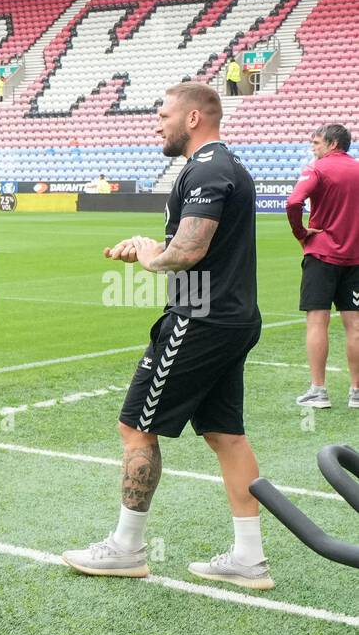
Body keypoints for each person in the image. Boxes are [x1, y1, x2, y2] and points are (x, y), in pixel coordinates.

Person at [65, 82, 272, 590]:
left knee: (136, 426)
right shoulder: (224, 167)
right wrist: (146, 245)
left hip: (198, 319)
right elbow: (191, 243)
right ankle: (249, 557)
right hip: (232, 317)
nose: (157, 123)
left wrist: (150, 257)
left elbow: (188, 252)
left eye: (163, 115)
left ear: (195, 118)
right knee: (226, 435)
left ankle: (126, 547)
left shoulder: (207, 170)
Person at [288, 123, 359, 410]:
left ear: (331, 143)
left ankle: (319, 390)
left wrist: (301, 233)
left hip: (321, 255)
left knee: (318, 321)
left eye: (316, 143)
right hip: (355, 258)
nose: (312, 148)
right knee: (354, 325)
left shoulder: (317, 169)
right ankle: (356, 391)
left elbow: (294, 202)